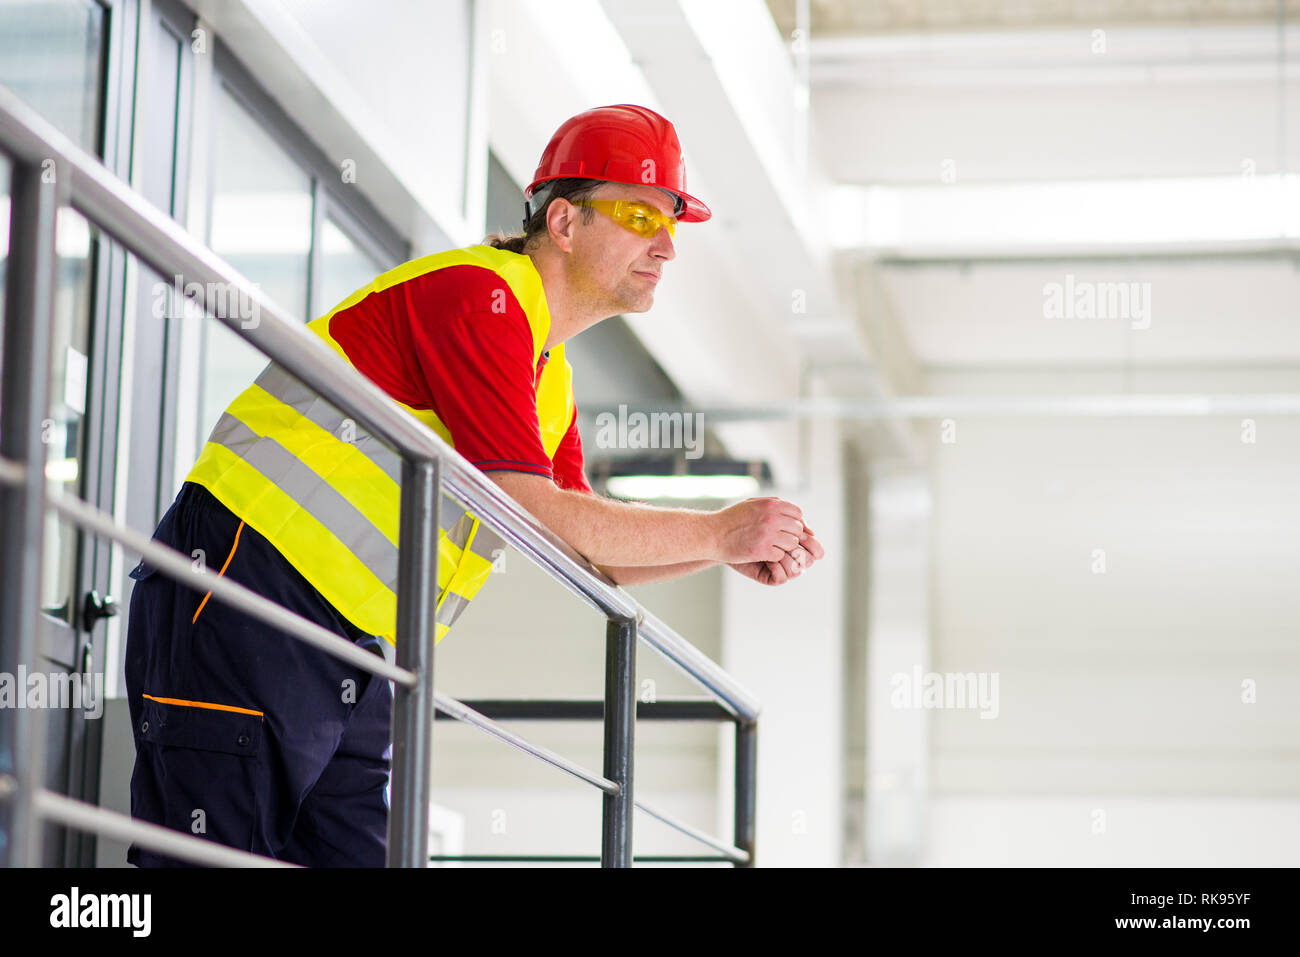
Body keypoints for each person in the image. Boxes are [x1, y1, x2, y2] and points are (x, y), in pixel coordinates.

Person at [123, 103, 825, 867]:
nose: (665, 245)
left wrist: (721, 550)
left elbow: (591, 554)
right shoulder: (479, 296)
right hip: (245, 585)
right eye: (639, 214)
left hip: (350, 646)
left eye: (674, 224)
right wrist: (719, 531)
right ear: (563, 221)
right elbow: (533, 505)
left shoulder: (547, 378)